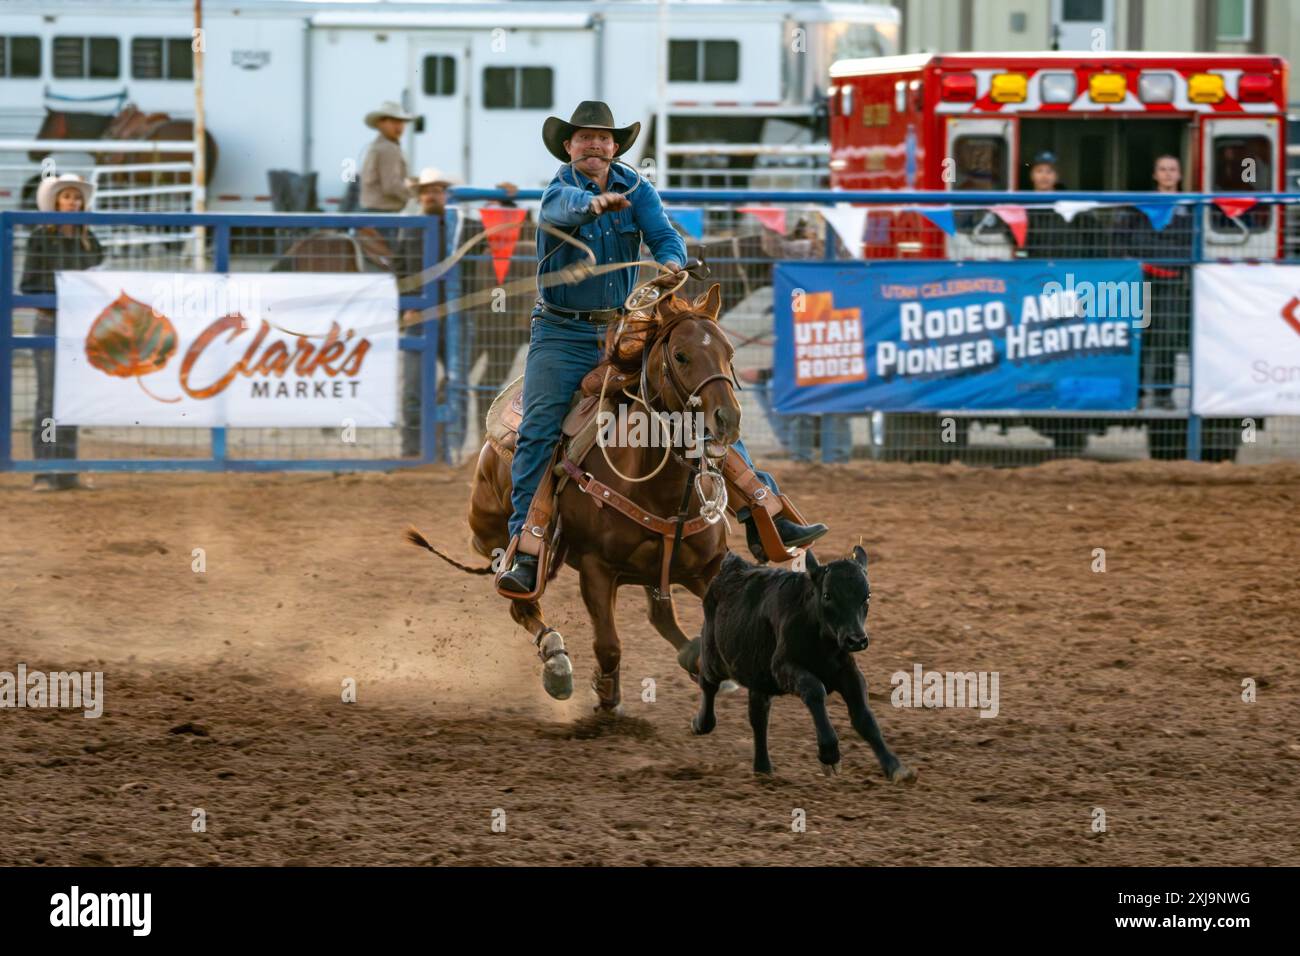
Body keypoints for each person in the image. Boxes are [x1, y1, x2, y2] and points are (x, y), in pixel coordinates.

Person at [495, 101, 827, 596]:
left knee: (695, 400)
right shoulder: (557, 193)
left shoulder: (636, 186)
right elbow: (563, 210)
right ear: (569, 146)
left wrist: (672, 264)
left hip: (624, 328)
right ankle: (525, 545)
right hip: (562, 335)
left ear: (615, 147)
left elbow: (664, 236)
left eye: (603, 139)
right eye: (585, 138)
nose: (595, 145)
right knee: (540, 430)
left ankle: (764, 514)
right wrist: (593, 207)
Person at [19, 174, 104, 492]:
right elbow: (28, 284)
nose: (73, 202)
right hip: (52, 322)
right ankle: (45, 470)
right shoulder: (41, 238)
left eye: (76, 198)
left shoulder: (88, 239)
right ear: (56, 201)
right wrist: (65, 293)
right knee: (48, 399)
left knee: (71, 398)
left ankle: (65, 470)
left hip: (78, 325)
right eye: (67, 197)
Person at [1119, 154, 1193, 412]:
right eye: (1162, 169)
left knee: (1168, 339)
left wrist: (1160, 254)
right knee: (1140, 337)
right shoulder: (1139, 207)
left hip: (1171, 283)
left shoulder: (1189, 208)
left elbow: (1189, 246)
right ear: (1155, 175)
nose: (1168, 174)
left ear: (1180, 175)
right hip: (1141, 281)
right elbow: (1121, 239)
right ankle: (1137, 393)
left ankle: (1164, 394)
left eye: (1173, 169)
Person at [359, 101, 416, 213]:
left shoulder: (377, 146)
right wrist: (416, 197)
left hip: (374, 211)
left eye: (401, 122)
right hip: (384, 212)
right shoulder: (388, 148)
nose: (399, 126)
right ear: (380, 123)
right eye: (394, 121)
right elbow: (391, 186)